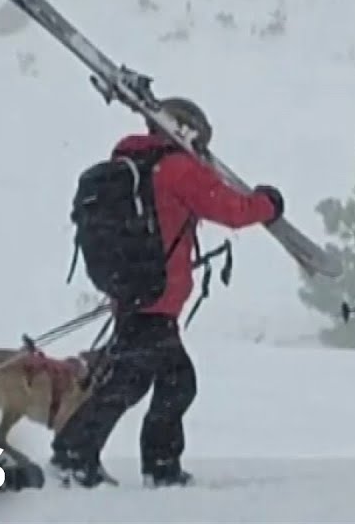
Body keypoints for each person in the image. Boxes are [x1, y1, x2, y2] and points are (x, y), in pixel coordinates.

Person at [50, 97, 284, 489]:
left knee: (132, 381)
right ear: (186, 132)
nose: (202, 149)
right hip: (154, 300)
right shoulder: (177, 169)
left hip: (135, 296)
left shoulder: (139, 167)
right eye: (201, 140)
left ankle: (83, 455)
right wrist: (269, 203)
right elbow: (232, 209)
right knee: (174, 381)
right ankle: (142, 465)